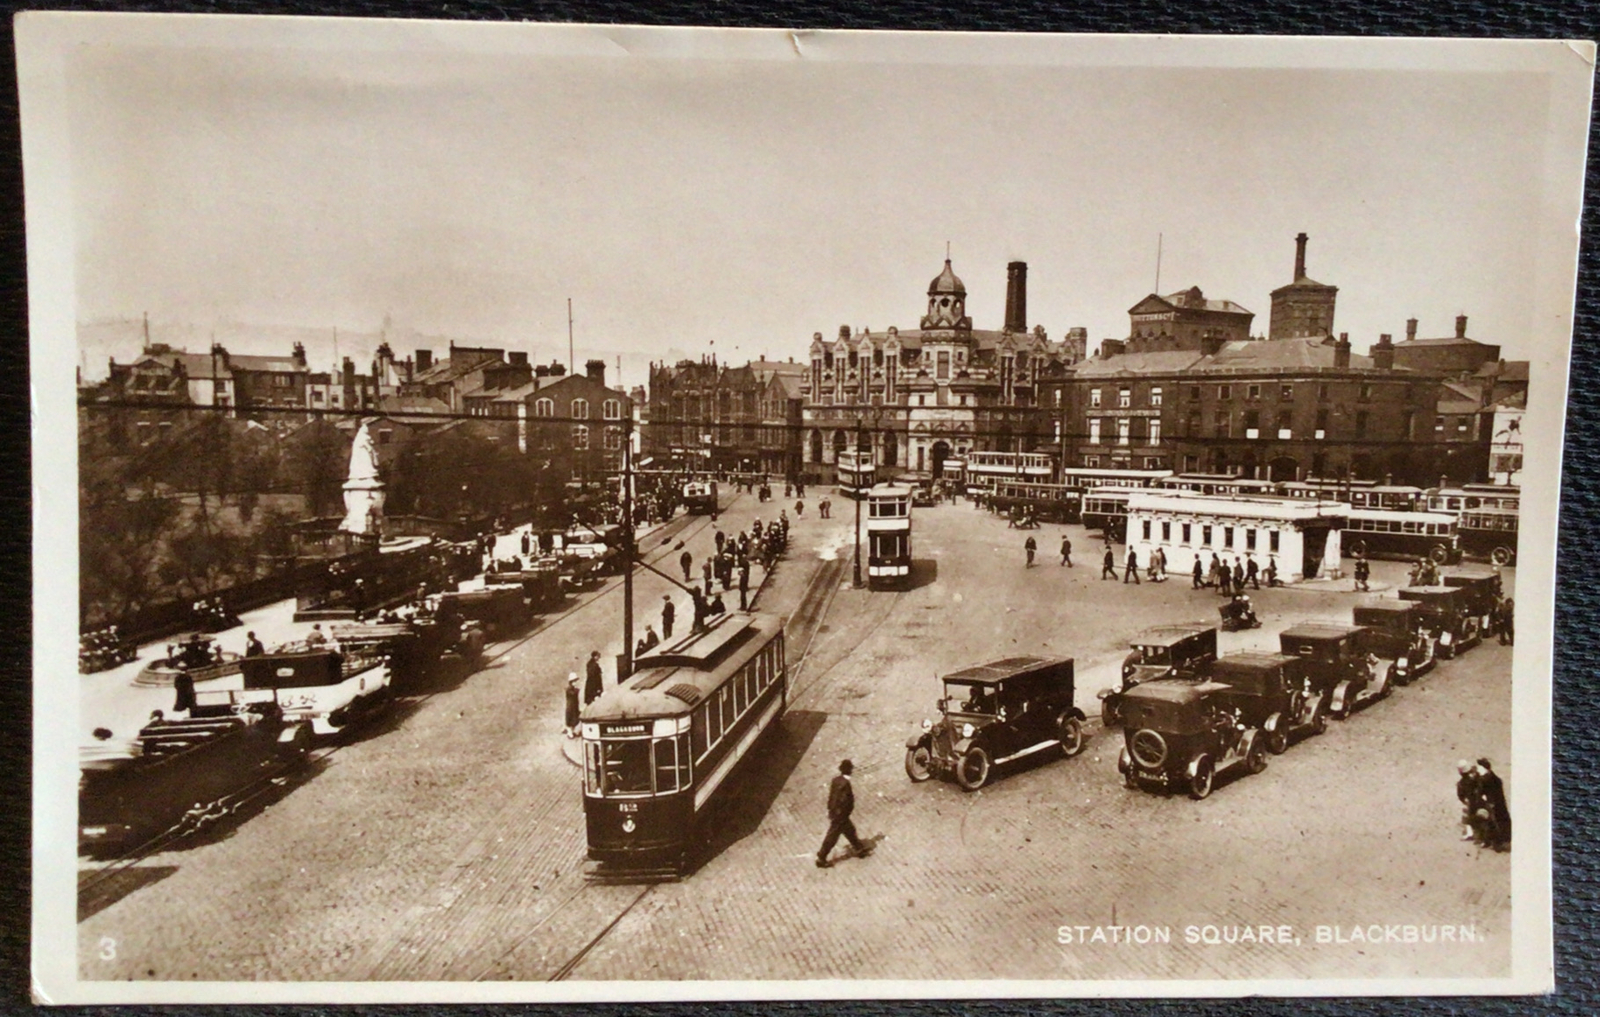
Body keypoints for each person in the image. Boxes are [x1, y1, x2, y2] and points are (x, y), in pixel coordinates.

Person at [817, 759, 871, 868]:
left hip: (836, 813)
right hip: (841, 816)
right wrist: (844, 813)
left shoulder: (836, 780)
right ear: (850, 770)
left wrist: (831, 810)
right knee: (832, 837)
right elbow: (844, 801)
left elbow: (832, 797)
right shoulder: (845, 784)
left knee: (850, 831)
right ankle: (821, 857)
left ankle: (859, 849)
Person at [1475, 758, 1511, 851]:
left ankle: (1497, 843)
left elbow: (1488, 793)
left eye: (1479, 767)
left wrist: (1486, 799)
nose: (1477, 769)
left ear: (1484, 768)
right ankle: (1490, 841)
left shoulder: (1489, 779)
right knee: (1490, 823)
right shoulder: (1488, 777)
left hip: (1493, 805)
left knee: (1494, 824)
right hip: (1492, 805)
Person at [1455, 760, 1481, 841]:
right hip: (1478, 801)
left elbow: (1461, 796)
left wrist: (1465, 802)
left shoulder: (1461, 783)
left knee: (1466, 816)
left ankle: (1470, 833)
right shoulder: (1475, 779)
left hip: (1470, 803)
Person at [564, 673, 582, 738]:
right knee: (571, 720)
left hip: (574, 707)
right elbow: (573, 694)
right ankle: (570, 732)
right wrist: (577, 691)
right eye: (574, 681)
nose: (576, 683)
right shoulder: (569, 689)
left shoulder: (573, 689)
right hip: (571, 707)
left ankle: (572, 731)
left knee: (574, 720)